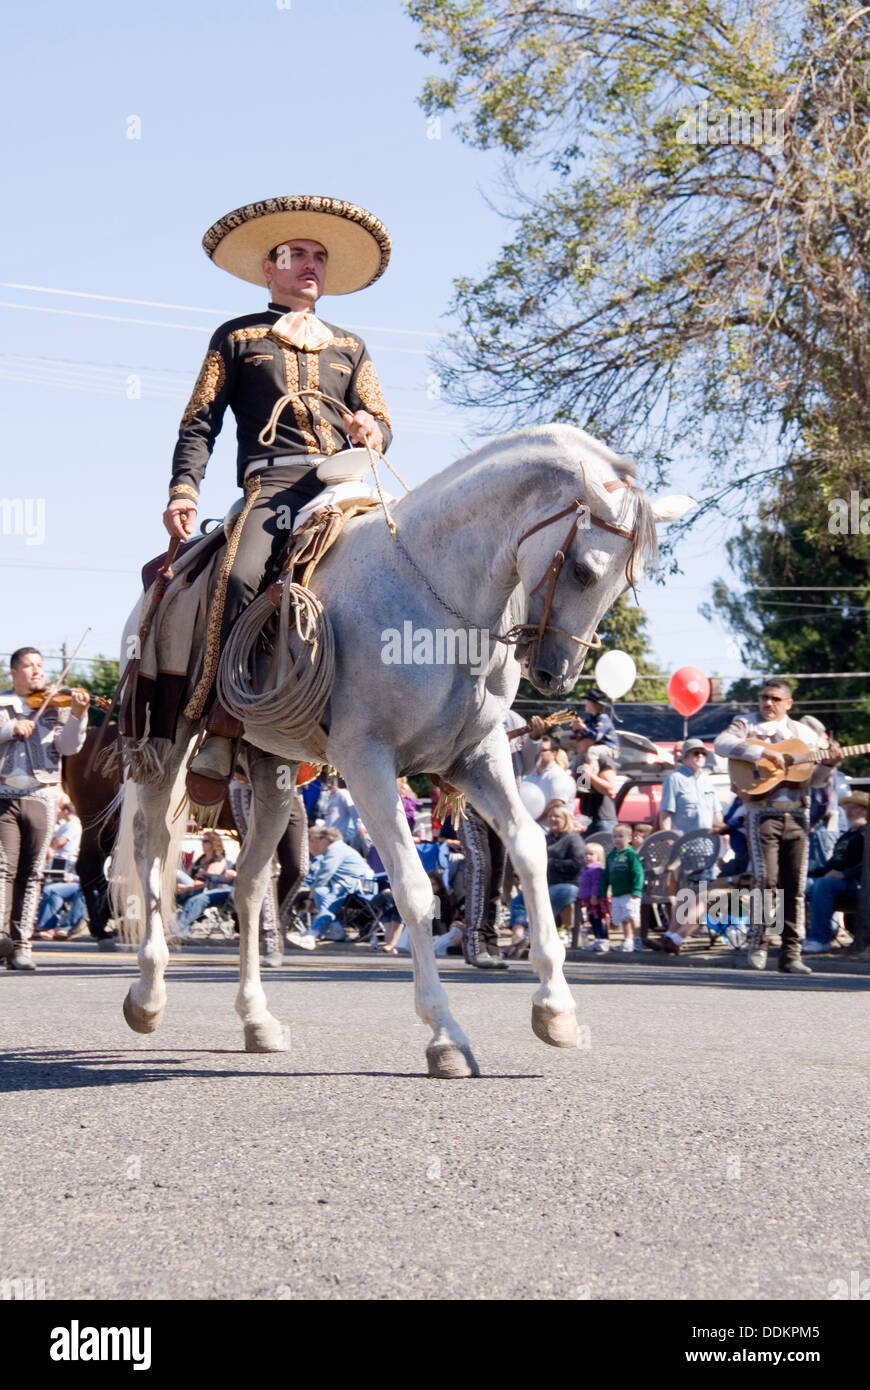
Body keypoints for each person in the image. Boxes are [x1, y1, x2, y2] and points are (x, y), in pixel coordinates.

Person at [162, 195, 393, 806]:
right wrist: (184, 487)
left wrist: (374, 430)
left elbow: (384, 422)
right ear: (270, 267)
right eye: (296, 255)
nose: (310, 265)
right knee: (240, 577)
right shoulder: (236, 337)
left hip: (346, 483)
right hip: (273, 484)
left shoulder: (352, 346)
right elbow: (198, 422)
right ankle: (220, 721)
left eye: (319, 256)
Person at [714, 678, 842, 973]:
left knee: (794, 886)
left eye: (774, 698)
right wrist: (762, 753)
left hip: (798, 815)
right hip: (762, 813)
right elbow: (722, 744)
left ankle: (791, 954)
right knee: (766, 880)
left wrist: (830, 763)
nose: (767, 703)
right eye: (763, 697)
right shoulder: (745, 723)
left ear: (788, 704)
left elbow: (817, 779)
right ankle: (757, 945)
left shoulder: (804, 735)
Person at [0, 648, 89, 971]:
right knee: (2, 869)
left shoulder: (57, 705)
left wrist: (78, 715)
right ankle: (0, 938)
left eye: (40, 665)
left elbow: (69, 747)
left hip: (43, 795)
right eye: (29, 665)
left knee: (33, 872)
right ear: (14, 672)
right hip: (3, 795)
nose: (37, 671)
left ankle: (22, 945)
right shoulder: (2, 703)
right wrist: (11, 730)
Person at [507, 803, 586, 947]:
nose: (553, 819)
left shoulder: (573, 839)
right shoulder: (544, 838)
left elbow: (578, 863)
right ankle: (517, 939)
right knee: (518, 901)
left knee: (544, 899)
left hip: (567, 883)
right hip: (543, 883)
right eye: (550, 817)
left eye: (557, 817)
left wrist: (549, 863)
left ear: (566, 820)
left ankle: (535, 935)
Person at [287, 826, 376, 951]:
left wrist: (311, 894)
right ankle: (335, 928)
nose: (314, 844)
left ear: (325, 840)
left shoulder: (335, 849)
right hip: (347, 885)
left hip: (359, 885)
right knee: (321, 892)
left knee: (329, 896)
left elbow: (326, 871)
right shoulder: (337, 849)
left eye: (315, 840)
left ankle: (313, 934)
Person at [803, 792, 867, 953]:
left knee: (824, 885)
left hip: (859, 885)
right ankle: (791, 936)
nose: (849, 812)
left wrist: (845, 874)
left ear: (866, 811)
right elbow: (831, 865)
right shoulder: (846, 836)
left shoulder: (866, 834)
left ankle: (820, 938)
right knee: (800, 885)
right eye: (848, 808)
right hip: (838, 883)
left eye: (855, 808)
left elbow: (865, 865)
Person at [34, 798, 87, 940]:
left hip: (66, 866)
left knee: (54, 888)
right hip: (65, 868)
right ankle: (45, 926)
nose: (58, 812)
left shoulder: (73, 825)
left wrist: (52, 842)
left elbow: (59, 843)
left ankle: (63, 927)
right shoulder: (67, 825)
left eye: (60, 809)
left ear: (66, 810)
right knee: (50, 890)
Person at [175, 832, 237, 934]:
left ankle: (177, 932)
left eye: (206, 841)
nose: (202, 843)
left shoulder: (218, 860)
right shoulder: (201, 858)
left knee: (176, 873)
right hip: (191, 887)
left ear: (214, 843)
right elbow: (189, 874)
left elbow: (206, 882)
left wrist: (186, 887)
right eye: (202, 841)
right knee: (168, 897)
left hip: (203, 889)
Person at [659, 739, 724, 836]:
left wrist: (723, 834)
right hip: (684, 842)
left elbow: (716, 812)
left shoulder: (707, 779)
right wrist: (668, 838)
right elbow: (665, 813)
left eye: (703, 753)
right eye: (696, 753)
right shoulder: (674, 779)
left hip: (708, 842)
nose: (700, 756)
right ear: (685, 757)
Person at [600, 823, 644, 952]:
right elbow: (605, 876)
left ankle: (637, 940)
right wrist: (603, 892)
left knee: (633, 916)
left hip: (630, 892)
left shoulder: (631, 855)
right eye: (614, 837)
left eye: (621, 836)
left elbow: (638, 872)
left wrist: (637, 889)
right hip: (616, 893)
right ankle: (627, 940)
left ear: (629, 838)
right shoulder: (611, 857)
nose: (617, 839)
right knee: (623, 918)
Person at [521, 737, 577, 824]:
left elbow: (556, 803)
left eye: (543, 750)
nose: (538, 753)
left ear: (554, 753)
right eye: (537, 749)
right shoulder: (530, 775)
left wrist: (532, 822)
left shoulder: (558, 774)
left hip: (550, 833)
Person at [576, 743, 620, 833]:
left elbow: (610, 789)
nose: (577, 741)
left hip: (603, 821)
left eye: (581, 737)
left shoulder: (602, 759)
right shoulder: (580, 760)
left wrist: (590, 776)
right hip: (585, 819)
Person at [576, 841, 608, 951]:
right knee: (592, 920)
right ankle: (597, 940)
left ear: (598, 856)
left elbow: (596, 884)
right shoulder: (587, 869)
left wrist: (594, 896)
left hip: (595, 900)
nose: (588, 857)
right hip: (587, 900)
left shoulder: (596, 869)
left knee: (598, 919)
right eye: (586, 854)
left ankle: (602, 940)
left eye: (591, 854)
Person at [572, 686, 619, 751]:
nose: (586, 704)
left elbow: (596, 737)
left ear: (593, 704)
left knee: (592, 751)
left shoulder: (603, 718)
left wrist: (583, 727)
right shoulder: (590, 719)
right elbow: (580, 736)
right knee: (579, 757)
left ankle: (592, 761)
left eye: (588, 702)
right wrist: (576, 728)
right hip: (597, 747)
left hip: (610, 748)